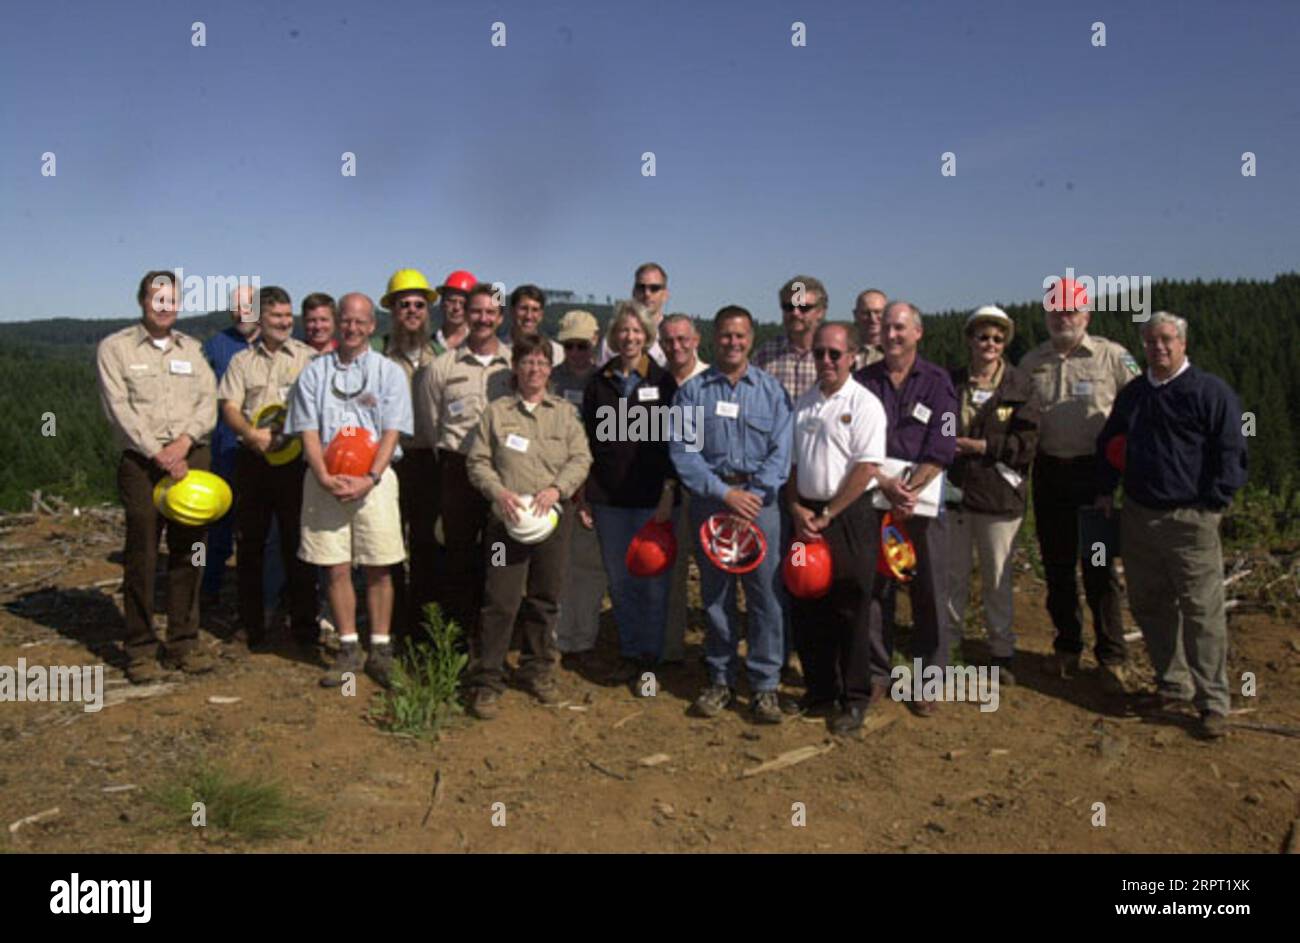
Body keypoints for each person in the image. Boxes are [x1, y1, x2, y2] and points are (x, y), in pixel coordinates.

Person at [1095, 312, 1247, 739]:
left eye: (1166, 340)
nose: (1158, 347)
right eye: (1150, 341)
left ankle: (1213, 701)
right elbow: (1108, 442)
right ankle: (1172, 683)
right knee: (1150, 604)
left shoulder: (1210, 391)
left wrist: (1212, 504)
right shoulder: (1136, 394)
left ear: (1182, 344)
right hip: (1140, 516)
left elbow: (1232, 450)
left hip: (1190, 521)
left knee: (1202, 612)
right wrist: (1106, 490)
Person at [670, 306, 793, 724]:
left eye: (740, 336)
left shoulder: (772, 392)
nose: (733, 343)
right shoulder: (691, 393)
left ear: (751, 338)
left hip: (761, 507)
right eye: (725, 336)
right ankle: (720, 677)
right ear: (713, 337)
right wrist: (725, 494)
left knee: (765, 597)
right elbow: (683, 453)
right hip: (712, 503)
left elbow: (782, 452)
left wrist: (753, 496)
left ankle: (764, 685)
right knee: (717, 595)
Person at [285, 292, 413, 689]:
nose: (353, 328)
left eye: (361, 322)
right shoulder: (313, 372)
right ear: (338, 323)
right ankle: (347, 647)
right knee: (335, 567)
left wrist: (371, 477)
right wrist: (322, 475)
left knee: (379, 566)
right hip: (326, 482)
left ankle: (380, 649)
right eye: (347, 320)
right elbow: (307, 429)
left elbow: (392, 430)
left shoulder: (389, 372)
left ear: (372, 326)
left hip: (373, 482)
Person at [97, 270, 218, 683]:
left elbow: (208, 402)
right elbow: (119, 408)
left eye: (171, 299)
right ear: (142, 301)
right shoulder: (115, 348)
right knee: (142, 554)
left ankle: (184, 641)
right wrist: (158, 453)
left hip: (191, 458)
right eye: (156, 298)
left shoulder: (194, 349)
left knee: (190, 550)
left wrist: (183, 444)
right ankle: (141, 648)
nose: (164, 306)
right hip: (141, 463)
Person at [464, 335, 593, 719]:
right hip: (505, 525)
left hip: (553, 521)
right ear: (515, 369)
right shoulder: (497, 412)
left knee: (545, 595)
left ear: (549, 369)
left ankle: (537, 670)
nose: (534, 369)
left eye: (540, 362)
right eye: (527, 362)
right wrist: (498, 492)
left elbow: (581, 457)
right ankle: (487, 679)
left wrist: (558, 489)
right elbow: (478, 461)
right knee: (499, 598)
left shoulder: (564, 413)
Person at [1019, 278, 1138, 688]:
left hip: (1095, 476)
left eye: (1071, 311)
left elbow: (1138, 409)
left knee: (1100, 568)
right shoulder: (1032, 362)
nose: (1062, 318)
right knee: (1057, 567)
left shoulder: (1113, 358)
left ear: (1086, 315)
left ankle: (1112, 657)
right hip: (1050, 474)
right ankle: (1067, 647)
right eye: (1055, 311)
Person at [854, 301, 958, 716]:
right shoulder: (862, 381)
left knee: (929, 591)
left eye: (900, 327)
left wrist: (909, 489)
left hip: (921, 503)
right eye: (886, 328)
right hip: (876, 499)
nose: (892, 334)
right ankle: (879, 673)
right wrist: (884, 484)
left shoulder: (939, 382)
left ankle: (928, 679)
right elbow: (852, 440)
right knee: (876, 591)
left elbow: (945, 441)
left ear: (918, 332)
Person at [786, 322, 886, 733]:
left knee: (850, 605)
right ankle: (820, 689)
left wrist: (830, 512)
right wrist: (795, 508)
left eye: (835, 354)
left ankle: (855, 697)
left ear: (852, 357)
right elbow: (790, 466)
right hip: (805, 516)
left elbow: (866, 468)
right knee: (807, 603)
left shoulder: (865, 404)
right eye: (820, 353)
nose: (826, 361)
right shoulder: (803, 404)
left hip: (848, 517)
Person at [217, 286, 320, 655]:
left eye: (288, 315)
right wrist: (250, 434)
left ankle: (305, 627)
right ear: (260, 319)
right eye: (276, 316)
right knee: (250, 545)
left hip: (296, 463)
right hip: (254, 462)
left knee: (299, 543)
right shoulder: (242, 363)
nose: (285, 322)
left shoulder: (309, 359)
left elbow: (321, 407)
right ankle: (251, 624)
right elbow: (229, 405)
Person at [582, 302, 680, 690]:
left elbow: (679, 443)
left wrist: (669, 491)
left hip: (650, 502)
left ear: (647, 336)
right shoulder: (598, 382)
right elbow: (587, 442)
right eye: (623, 331)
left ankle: (649, 662)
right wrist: (585, 494)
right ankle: (629, 651)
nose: (629, 337)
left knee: (653, 585)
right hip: (608, 501)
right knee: (620, 582)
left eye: (637, 331)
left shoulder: (664, 382)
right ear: (613, 337)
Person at [413, 283, 514, 638]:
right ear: (464, 314)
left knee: (499, 555)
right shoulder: (442, 367)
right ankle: (456, 637)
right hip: (458, 471)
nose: (483, 318)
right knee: (458, 555)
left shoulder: (514, 365)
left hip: (504, 474)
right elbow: (429, 423)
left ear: (501, 317)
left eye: (491, 312)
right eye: (477, 311)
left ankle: (490, 641)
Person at [945, 306, 1040, 684]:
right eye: (983, 336)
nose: (990, 344)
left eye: (998, 338)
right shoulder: (951, 383)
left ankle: (1000, 651)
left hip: (999, 498)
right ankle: (949, 645)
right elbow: (939, 424)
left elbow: (1029, 442)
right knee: (952, 577)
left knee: (996, 579)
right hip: (954, 494)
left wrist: (983, 446)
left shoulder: (1020, 387)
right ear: (970, 339)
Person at [754, 275, 828, 684]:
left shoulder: (834, 354)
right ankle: (780, 654)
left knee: (823, 574)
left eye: (805, 306)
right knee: (782, 570)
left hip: (825, 483)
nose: (796, 313)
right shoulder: (766, 356)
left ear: (821, 310)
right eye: (789, 306)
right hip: (779, 482)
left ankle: (820, 656)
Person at [380, 268, 441, 643]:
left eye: (419, 304)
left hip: (430, 462)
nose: (413, 311)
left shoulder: (441, 356)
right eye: (405, 305)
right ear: (393, 310)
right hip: (390, 461)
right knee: (388, 543)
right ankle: (394, 622)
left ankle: (422, 622)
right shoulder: (378, 354)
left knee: (426, 543)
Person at [549, 309, 607, 661]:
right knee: (555, 566)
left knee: (588, 567)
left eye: (582, 346)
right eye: (569, 346)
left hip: (591, 489)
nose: (576, 353)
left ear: (595, 342)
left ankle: (583, 638)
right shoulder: (550, 380)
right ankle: (555, 637)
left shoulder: (606, 383)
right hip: (553, 486)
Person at [200, 284, 259, 606]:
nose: (241, 312)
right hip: (225, 447)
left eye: (248, 305)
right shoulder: (215, 346)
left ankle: (262, 591)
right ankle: (209, 585)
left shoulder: (278, 343)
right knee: (220, 516)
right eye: (235, 306)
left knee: (263, 523)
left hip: (269, 452)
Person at [659, 313, 710, 663]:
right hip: (667, 493)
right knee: (670, 573)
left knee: (714, 573)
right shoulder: (655, 383)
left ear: (696, 340)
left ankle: (716, 652)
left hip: (709, 492)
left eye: (682, 339)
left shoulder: (713, 382)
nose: (676, 346)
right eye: (668, 341)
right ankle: (669, 649)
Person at [597, 263, 669, 367]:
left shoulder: (676, 339)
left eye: (654, 288)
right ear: (634, 292)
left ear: (665, 294)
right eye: (641, 287)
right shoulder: (612, 338)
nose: (647, 293)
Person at [506, 284, 563, 365]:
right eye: (523, 308)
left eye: (535, 310)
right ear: (512, 311)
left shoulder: (557, 353)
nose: (529, 316)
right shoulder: (497, 350)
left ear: (541, 315)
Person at [434, 270, 475, 353]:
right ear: (442, 303)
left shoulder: (480, 346)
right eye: (451, 301)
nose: (456, 307)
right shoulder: (425, 347)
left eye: (463, 303)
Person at [852, 289, 887, 369]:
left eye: (878, 312)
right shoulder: (843, 352)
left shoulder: (899, 353)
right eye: (866, 313)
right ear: (855, 315)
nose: (873, 318)